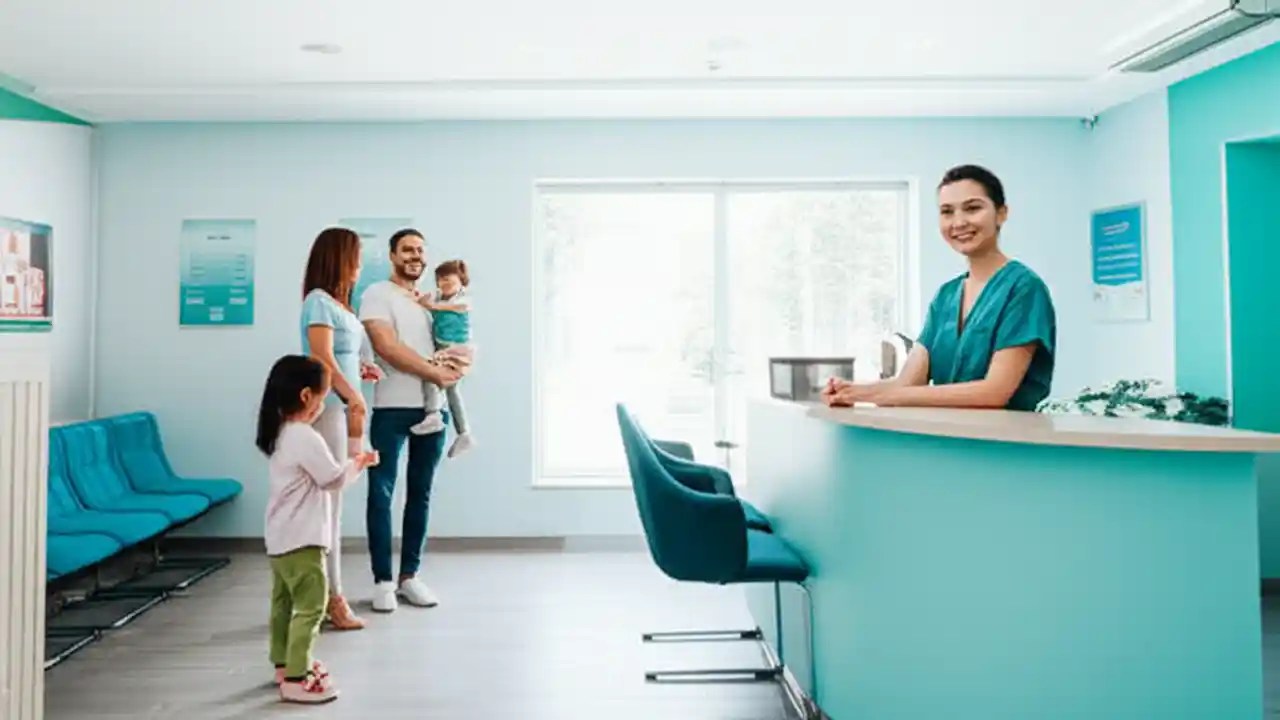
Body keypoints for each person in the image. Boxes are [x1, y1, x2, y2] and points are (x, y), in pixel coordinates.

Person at [823, 164, 1056, 411]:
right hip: (944, 433)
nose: (959, 222)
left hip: (1004, 435)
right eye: (947, 212)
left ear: (1001, 213)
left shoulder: (1023, 288)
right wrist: (852, 391)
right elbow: (907, 383)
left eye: (972, 208)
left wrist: (876, 396)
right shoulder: (946, 296)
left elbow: (993, 392)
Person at [257, 354, 378, 704]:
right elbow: (333, 479)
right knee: (311, 607)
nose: (323, 406)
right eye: (323, 398)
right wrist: (358, 459)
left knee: (282, 604)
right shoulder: (304, 437)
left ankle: (283, 665)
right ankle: (298, 677)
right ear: (306, 396)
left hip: (280, 539)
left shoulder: (282, 433)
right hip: (303, 540)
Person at [358, 228, 466, 613]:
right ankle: (383, 582)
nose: (415, 256)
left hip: (433, 409)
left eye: (420, 250)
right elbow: (386, 347)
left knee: (420, 493)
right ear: (392, 255)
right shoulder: (376, 294)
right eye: (407, 249)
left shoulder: (431, 301)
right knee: (381, 493)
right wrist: (434, 372)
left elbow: (453, 339)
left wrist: (457, 364)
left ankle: (409, 577)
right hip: (391, 408)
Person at [299, 227, 383, 631]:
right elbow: (322, 359)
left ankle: (326, 596)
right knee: (329, 508)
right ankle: (331, 599)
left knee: (336, 506)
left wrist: (360, 372)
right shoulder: (317, 302)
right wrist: (352, 396)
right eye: (356, 258)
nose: (359, 266)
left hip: (346, 408)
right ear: (338, 259)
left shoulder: (338, 306)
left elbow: (341, 358)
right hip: (332, 411)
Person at [412, 258, 476, 458]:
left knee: (433, 376)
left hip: (455, 350)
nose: (444, 283)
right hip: (442, 347)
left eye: (449, 280)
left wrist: (430, 305)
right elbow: (426, 300)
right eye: (440, 280)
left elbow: (451, 308)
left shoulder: (463, 300)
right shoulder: (438, 297)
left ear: (461, 282)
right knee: (451, 390)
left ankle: (434, 414)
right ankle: (463, 432)